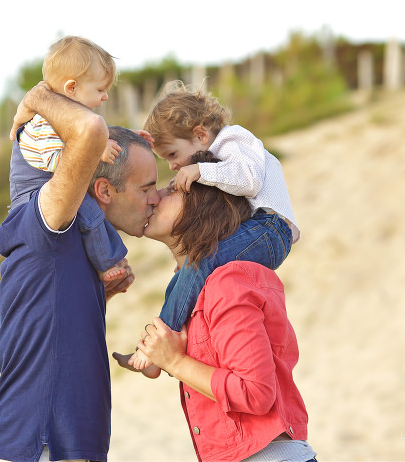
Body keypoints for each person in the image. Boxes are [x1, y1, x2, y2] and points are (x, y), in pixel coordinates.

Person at [0, 82, 159, 462]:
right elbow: (89, 132)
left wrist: (96, 297)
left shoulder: (81, 246)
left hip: (71, 444)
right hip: (33, 444)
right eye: (148, 188)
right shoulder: (47, 224)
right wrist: (39, 97)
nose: (157, 197)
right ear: (104, 190)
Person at [116, 151, 316, 462]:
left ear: (202, 207)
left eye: (171, 190)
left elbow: (255, 393)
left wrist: (175, 362)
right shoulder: (190, 292)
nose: (156, 197)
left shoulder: (228, 283)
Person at [128, 83, 299, 371]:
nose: (172, 166)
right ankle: (156, 342)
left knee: (200, 262)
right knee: (184, 274)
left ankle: (161, 346)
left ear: (200, 134)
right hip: (260, 228)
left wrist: (199, 170)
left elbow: (249, 180)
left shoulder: (234, 139)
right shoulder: (219, 155)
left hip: (271, 229)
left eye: (172, 154)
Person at [10, 35, 153, 283]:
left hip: (50, 186)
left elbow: (88, 132)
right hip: (34, 197)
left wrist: (127, 136)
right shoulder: (44, 124)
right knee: (89, 212)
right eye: (100, 90)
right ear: (72, 89)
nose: (105, 97)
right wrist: (95, 152)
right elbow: (59, 161)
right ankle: (105, 262)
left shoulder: (60, 117)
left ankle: (106, 257)